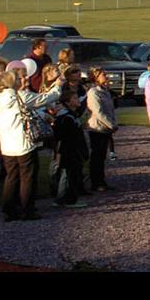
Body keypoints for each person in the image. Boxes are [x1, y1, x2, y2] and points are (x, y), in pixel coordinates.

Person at [0, 68, 61, 221]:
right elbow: (45, 98)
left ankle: (9, 208)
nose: (20, 81)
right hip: (23, 143)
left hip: (7, 145)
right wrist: (58, 86)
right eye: (17, 79)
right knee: (27, 177)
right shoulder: (21, 97)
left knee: (11, 177)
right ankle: (27, 208)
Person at [49, 69, 89, 209]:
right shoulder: (66, 117)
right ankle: (66, 199)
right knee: (68, 174)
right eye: (75, 99)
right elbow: (65, 135)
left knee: (70, 173)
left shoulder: (71, 115)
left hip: (72, 149)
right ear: (68, 102)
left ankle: (66, 197)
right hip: (68, 149)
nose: (78, 101)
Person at [85, 67, 118, 192]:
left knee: (102, 156)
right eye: (103, 74)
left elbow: (110, 109)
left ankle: (101, 180)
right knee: (97, 156)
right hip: (97, 128)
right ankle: (96, 182)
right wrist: (111, 124)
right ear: (96, 77)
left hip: (105, 128)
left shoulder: (105, 91)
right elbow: (98, 111)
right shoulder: (93, 92)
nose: (106, 76)